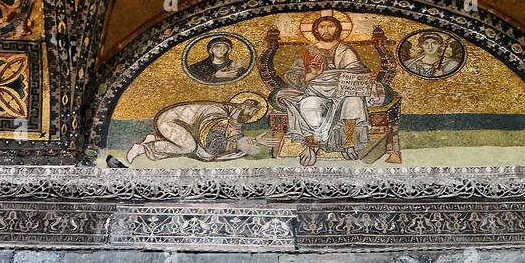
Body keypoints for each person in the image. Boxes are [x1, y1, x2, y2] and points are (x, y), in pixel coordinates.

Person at [278, 14, 384, 165]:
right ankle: (312, 145)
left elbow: (357, 70)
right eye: (322, 26)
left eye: (330, 26)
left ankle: (348, 144)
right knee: (309, 105)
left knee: (353, 102)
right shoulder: (306, 51)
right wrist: (313, 74)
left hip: (343, 91)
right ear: (316, 30)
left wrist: (366, 76)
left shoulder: (346, 50)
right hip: (316, 91)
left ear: (337, 29)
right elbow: (293, 76)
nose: (326, 30)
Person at [126, 94, 264, 163]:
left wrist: (252, 140)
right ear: (242, 107)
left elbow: (233, 138)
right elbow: (210, 143)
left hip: (183, 127)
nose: (250, 117)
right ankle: (143, 148)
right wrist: (239, 138)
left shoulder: (232, 117)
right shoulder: (217, 112)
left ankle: (154, 139)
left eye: (253, 115)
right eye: (249, 113)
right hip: (169, 122)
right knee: (189, 147)